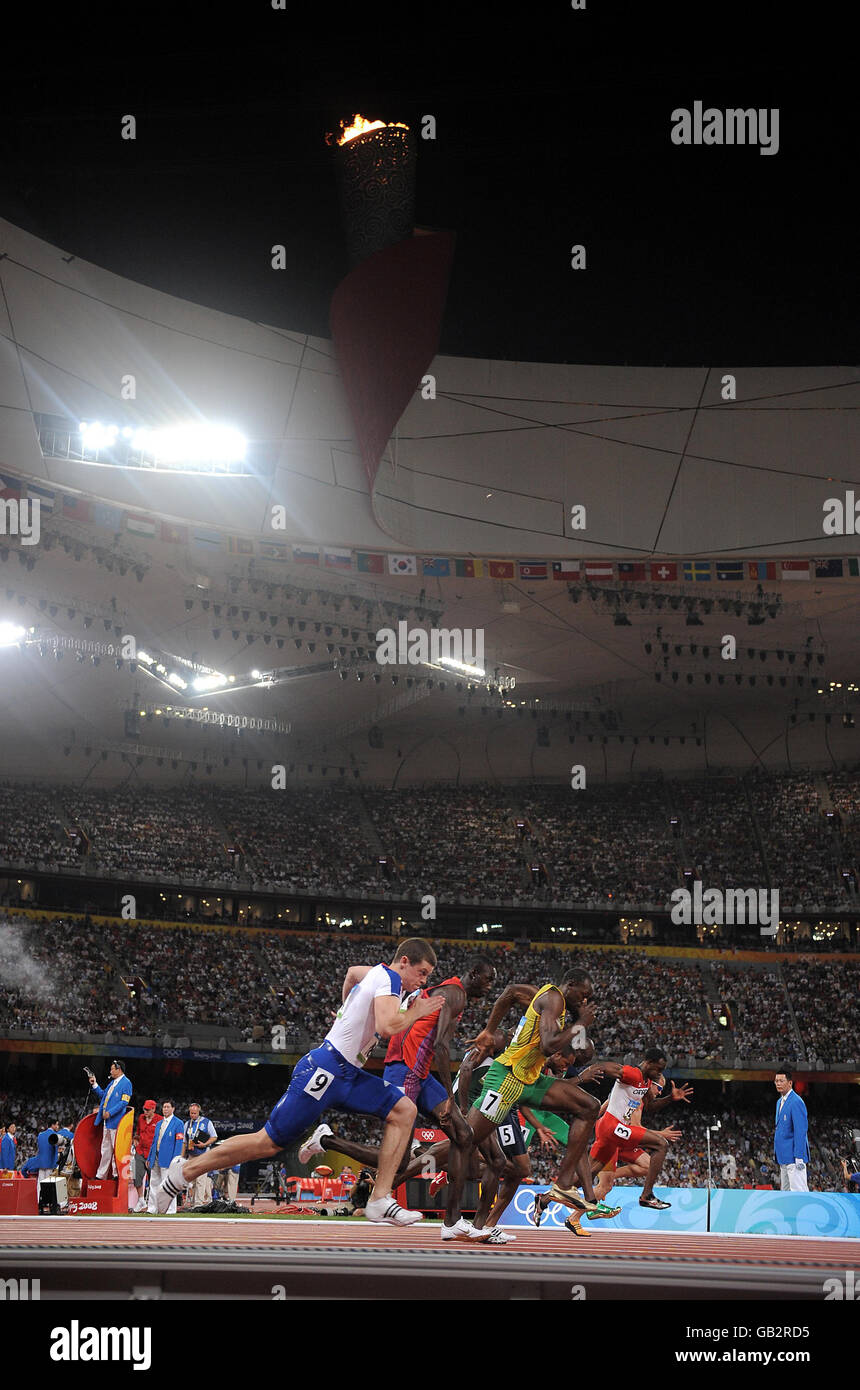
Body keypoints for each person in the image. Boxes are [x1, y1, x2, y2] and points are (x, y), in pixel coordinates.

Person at [153, 938, 444, 1226]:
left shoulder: (378, 973)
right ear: (404, 961)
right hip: (326, 1071)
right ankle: (184, 1173)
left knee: (405, 1110)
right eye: (422, 973)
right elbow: (386, 1026)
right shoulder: (391, 979)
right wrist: (416, 1012)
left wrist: (346, 1009)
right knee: (266, 1143)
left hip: (348, 1074)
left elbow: (353, 972)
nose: (422, 981)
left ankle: (380, 1199)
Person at [301, 958, 496, 1240]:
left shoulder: (449, 992)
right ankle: (326, 1140)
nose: (490, 988)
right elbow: (441, 1046)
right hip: (404, 1069)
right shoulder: (455, 995)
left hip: (419, 1072)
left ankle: (452, 1221)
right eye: (488, 980)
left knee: (463, 1135)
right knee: (401, 1161)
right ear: (474, 974)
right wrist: (451, 1096)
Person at [466, 971, 623, 1223]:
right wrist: (581, 1022)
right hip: (508, 1077)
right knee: (466, 1139)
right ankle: (414, 1166)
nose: (584, 1002)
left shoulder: (545, 997)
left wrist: (489, 1030)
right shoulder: (554, 999)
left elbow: (509, 993)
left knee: (588, 1106)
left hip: (529, 1079)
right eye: (584, 995)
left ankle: (564, 1186)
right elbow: (549, 1046)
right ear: (570, 985)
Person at [592, 1072, 692, 1204]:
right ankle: (576, 1210)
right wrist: (661, 1135)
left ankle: (608, 1175)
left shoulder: (631, 1093)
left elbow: (605, 1107)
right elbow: (635, 1127)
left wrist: (591, 1120)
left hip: (620, 1136)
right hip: (614, 1136)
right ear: (650, 1084)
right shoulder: (636, 1099)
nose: (660, 1092)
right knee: (605, 1187)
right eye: (660, 1088)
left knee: (649, 1166)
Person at [87, 1059, 132, 1179]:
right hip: (107, 1122)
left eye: (112, 1069)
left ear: (119, 1069)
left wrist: (110, 1113)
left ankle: (116, 1174)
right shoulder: (112, 1083)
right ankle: (101, 1175)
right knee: (105, 1148)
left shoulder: (126, 1083)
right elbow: (103, 1095)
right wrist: (94, 1084)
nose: (110, 1071)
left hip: (116, 1121)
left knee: (116, 1149)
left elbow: (124, 1102)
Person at [774, 1065, 809, 1191]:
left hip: (794, 1158)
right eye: (776, 1081)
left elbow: (801, 1130)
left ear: (790, 1083)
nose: (778, 1083)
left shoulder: (796, 1101)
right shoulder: (779, 1102)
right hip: (783, 1157)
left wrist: (799, 1156)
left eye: (781, 1081)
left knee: (799, 1193)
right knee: (786, 1194)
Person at [146, 1100, 185, 1214]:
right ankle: (152, 1208)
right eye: (164, 1107)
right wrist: (149, 1157)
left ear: (173, 1109)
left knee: (167, 1185)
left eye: (168, 1107)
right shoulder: (159, 1124)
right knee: (153, 1183)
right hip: (156, 1157)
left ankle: (170, 1210)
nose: (165, 1109)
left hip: (169, 1158)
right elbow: (154, 1142)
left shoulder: (178, 1123)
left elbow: (179, 1142)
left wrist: (175, 1159)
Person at [182, 1103, 218, 1207]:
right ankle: (193, 1202)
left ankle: (199, 1203)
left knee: (201, 1180)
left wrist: (205, 1144)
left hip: (203, 1155)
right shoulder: (187, 1124)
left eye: (194, 1113)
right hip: (191, 1155)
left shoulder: (207, 1122)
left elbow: (214, 1136)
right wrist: (182, 1157)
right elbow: (184, 1142)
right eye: (191, 1113)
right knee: (192, 1180)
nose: (192, 1115)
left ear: (199, 1112)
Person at [133, 1100, 159, 1212]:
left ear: (153, 1109)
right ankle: (141, 1201)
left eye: (148, 1110)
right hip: (140, 1151)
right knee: (136, 1177)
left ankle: (153, 1204)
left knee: (153, 1179)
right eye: (144, 1109)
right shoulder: (141, 1118)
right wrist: (135, 1138)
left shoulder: (160, 1120)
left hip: (152, 1154)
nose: (145, 1111)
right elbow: (138, 1132)